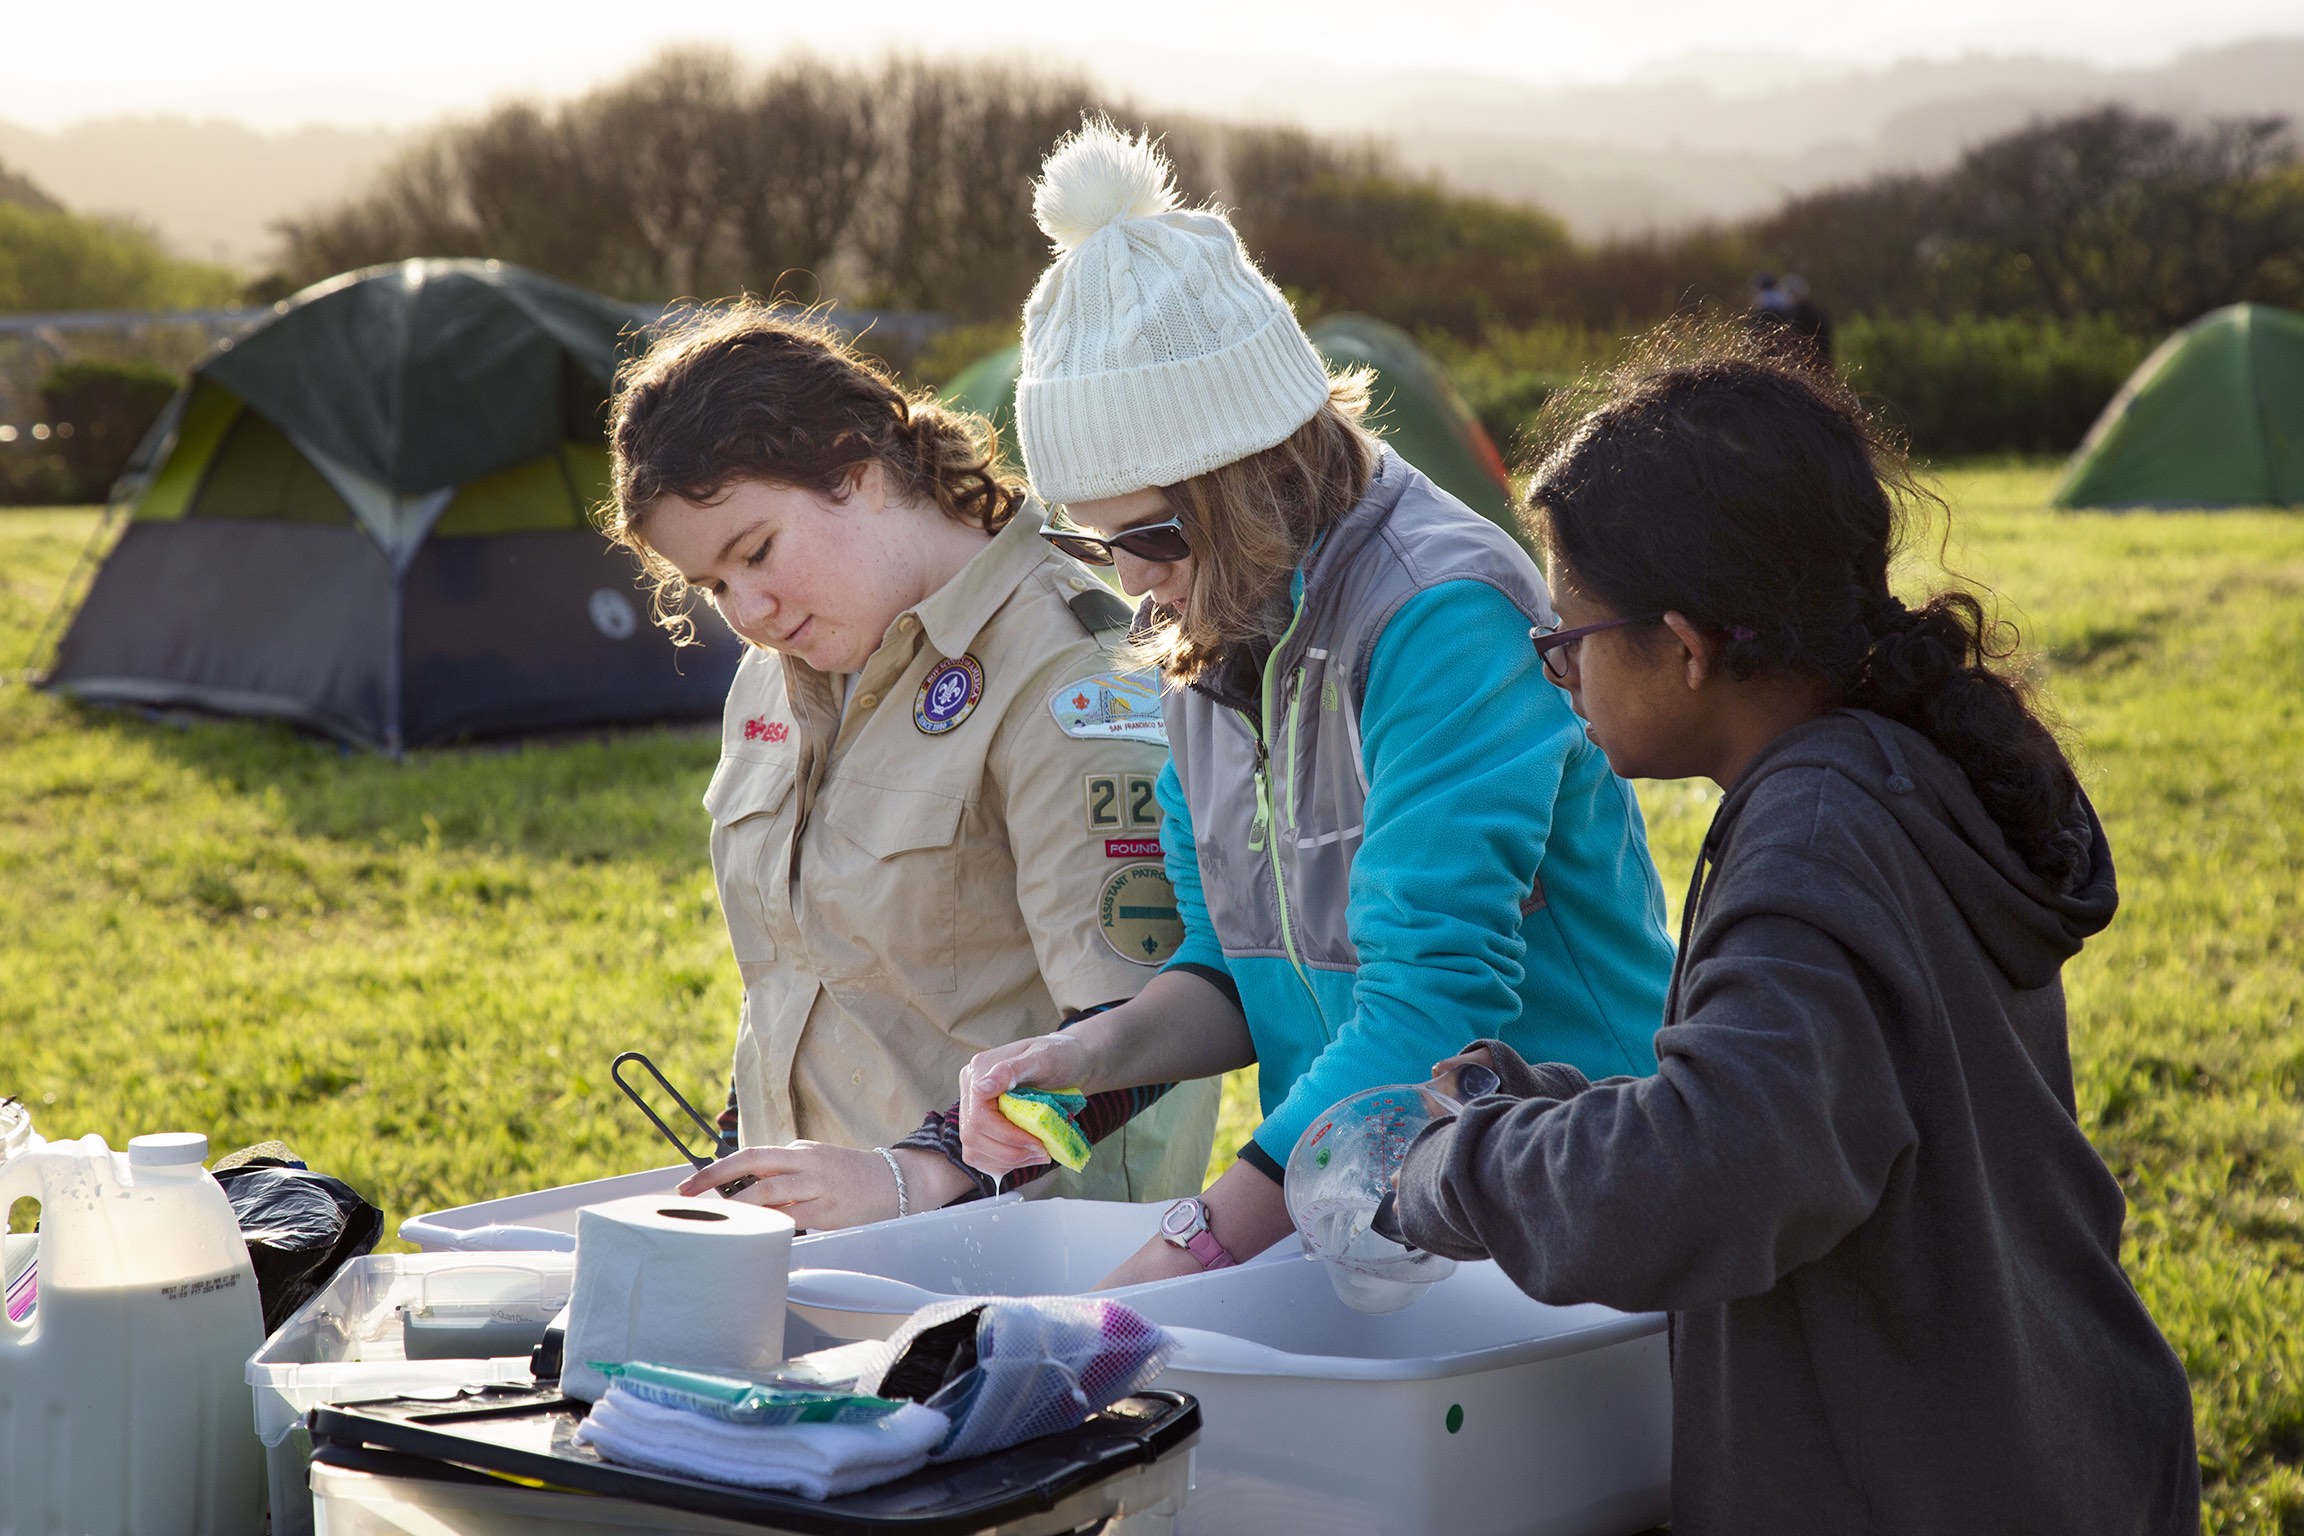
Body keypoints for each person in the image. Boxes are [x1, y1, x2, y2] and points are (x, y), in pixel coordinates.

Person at [1392, 344, 2198, 1532]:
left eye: (1567, 634)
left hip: (1941, 1483)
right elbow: (1835, 1105)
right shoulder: (1893, 770)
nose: (1555, 669)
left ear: (1686, 645)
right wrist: (1551, 1116)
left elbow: (1716, 1171)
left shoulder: (1816, 829)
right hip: (2051, 1437)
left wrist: (1457, 1172)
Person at [916, 120, 1677, 1286]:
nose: (1130, 580)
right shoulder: (1213, 616)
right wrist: (1084, 1053)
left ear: (1254, 476)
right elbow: (1232, 971)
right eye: (1093, 538)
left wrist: (1194, 1244)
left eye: (1153, 534)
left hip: (1568, 1200)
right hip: (1374, 1199)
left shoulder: (1441, 614)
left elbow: (1430, 1001)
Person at [602, 304, 1220, 1228]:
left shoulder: (1069, 671)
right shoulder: (779, 677)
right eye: (713, 586)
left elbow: (1145, 1027)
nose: (749, 610)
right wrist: (749, 1153)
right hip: (819, 1259)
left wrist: (913, 1174)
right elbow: (807, 990)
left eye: (758, 552)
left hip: (1037, 1273)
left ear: (859, 473)